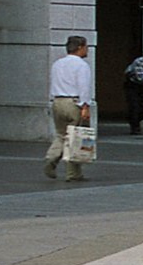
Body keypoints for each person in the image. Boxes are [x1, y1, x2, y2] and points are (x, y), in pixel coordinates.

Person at [44, 35, 93, 181]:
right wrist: (85, 106)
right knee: (75, 137)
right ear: (80, 47)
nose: (87, 50)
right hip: (73, 103)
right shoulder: (82, 65)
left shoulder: (57, 64)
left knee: (61, 134)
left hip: (58, 101)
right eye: (86, 46)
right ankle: (73, 172)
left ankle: (51, 158)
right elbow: (84, 87)